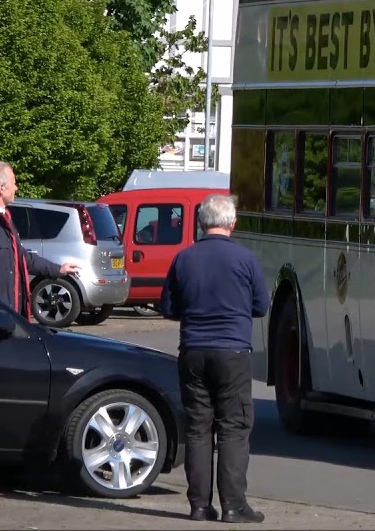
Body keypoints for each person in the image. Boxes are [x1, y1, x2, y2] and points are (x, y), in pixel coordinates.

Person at [160, 194, 270, 524]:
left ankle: (198, 505)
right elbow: (261, 306)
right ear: (232, 222)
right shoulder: (245, 259)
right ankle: (234, 506)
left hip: (193, 351)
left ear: (201, 223)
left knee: (198, 429)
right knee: (234, 428)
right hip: (233, 352)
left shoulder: (183, 259)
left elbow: (168, 308)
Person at [0, 160, 81, 316]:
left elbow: (21, 257)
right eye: (14, 183)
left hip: (10, 316)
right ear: (1, 188)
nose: (16, 188)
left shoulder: (4, 218)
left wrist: (58, 269)